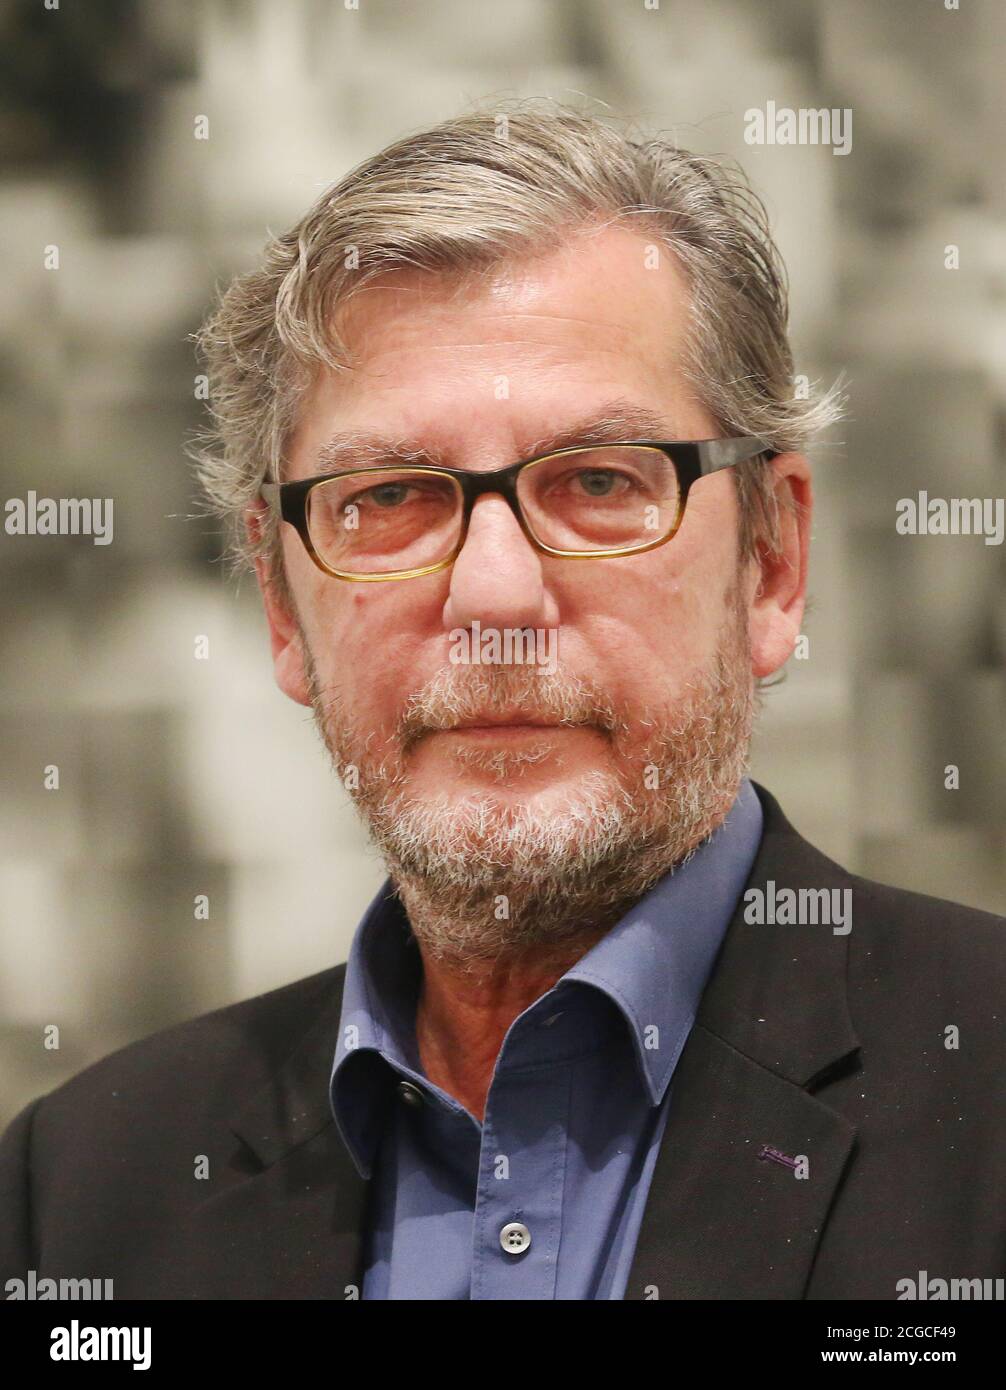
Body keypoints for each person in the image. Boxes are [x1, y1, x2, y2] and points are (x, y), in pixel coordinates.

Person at [2, 102, 1003, 1301]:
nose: (492, 595)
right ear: (281, 605)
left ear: (773, 560)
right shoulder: (80, 1199)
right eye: (389, 497)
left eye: (595, 481)